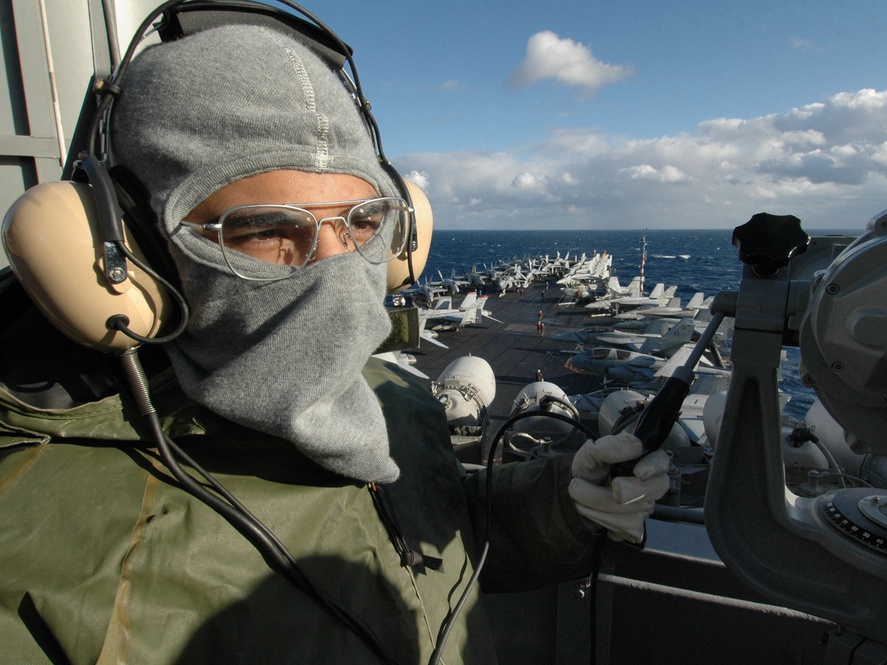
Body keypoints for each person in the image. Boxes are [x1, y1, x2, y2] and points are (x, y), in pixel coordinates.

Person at [0, 12, 669, 665]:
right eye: (265, 229)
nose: (337, 275)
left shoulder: (392, 399)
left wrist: (565, 506)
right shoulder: (25, 544)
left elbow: (438, 532)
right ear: (132, 249)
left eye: (362, 220)